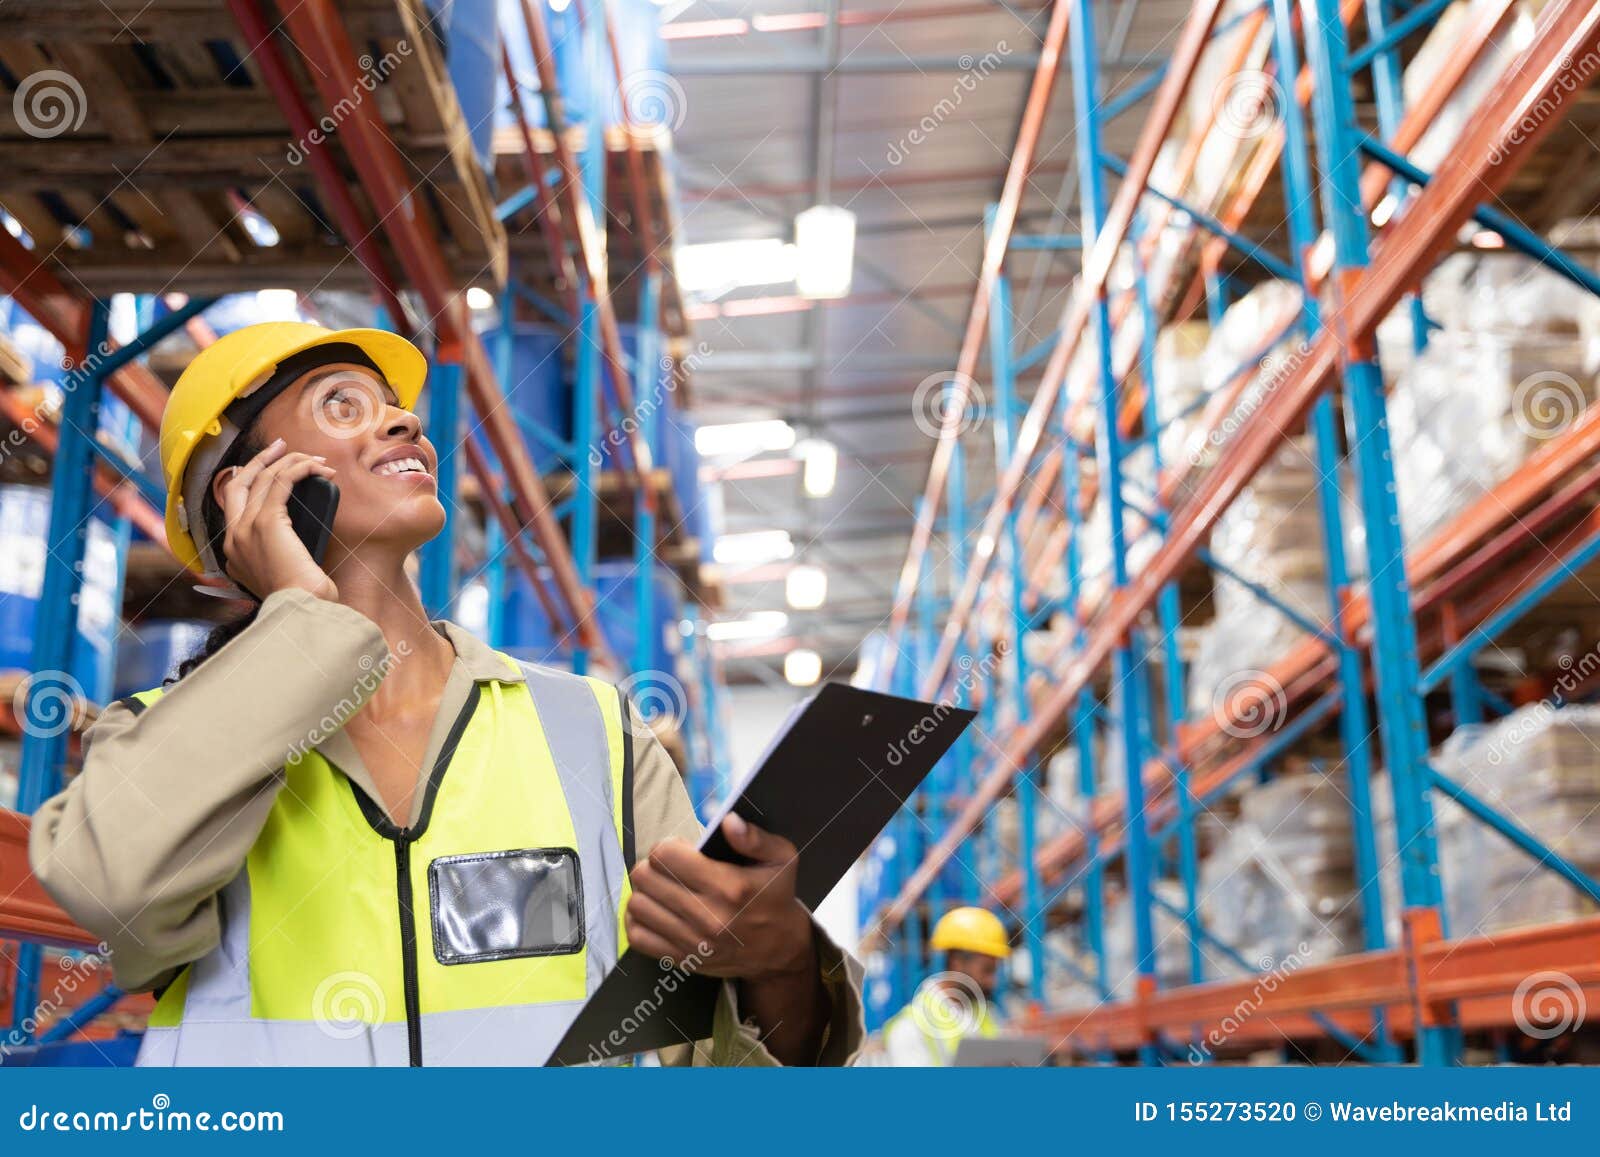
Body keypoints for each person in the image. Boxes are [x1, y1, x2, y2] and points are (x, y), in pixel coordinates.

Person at [28, 322, 863, 1067]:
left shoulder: (589, 730)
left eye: (396, 406)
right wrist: (300, 625)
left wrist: (784, 962)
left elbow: (709, 1060)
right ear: (247, 489)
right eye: (343, 404)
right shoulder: (164, 737)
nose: (405, 421)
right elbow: (107, 888)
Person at [878, 906, 1008, 1066]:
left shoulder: (988, 1016)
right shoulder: (910, 1029)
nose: (992, 981)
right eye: (987, 970)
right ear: (957, 963)